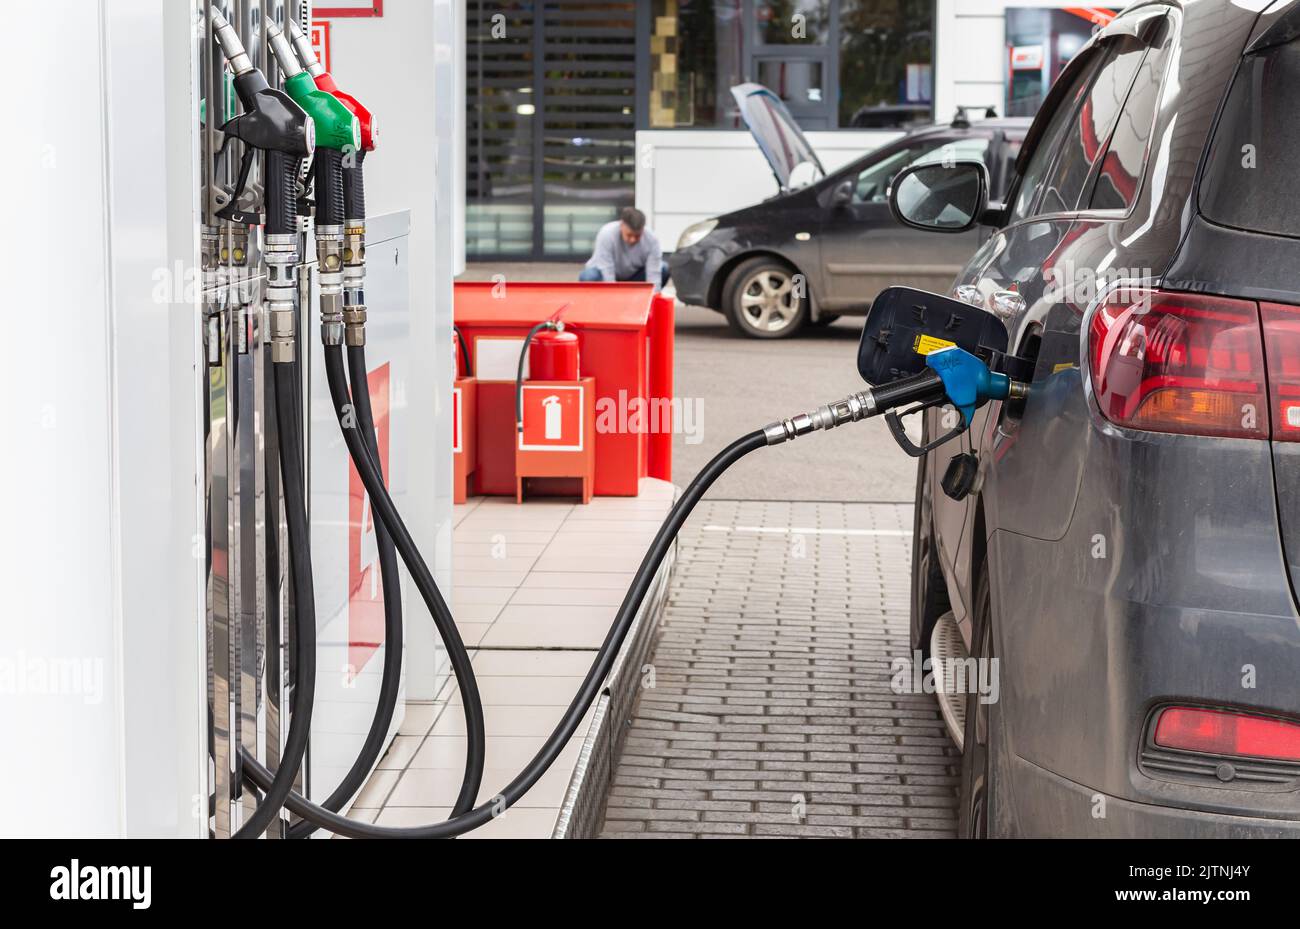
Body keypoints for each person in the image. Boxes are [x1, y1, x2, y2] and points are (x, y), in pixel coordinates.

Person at [579, 207, 669, 292]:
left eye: (637, 236)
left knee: (663, 269)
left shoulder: (651, 239)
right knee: (588, 277)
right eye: (629, 235)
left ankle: (640, 301)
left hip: (633, 277)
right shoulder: (607, 234)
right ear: (621, 225)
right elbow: (606, 269)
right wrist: (615, 298)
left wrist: (653, 298)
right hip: (604, 275)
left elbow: (654, 274)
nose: (633, 239)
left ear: (643, 229)